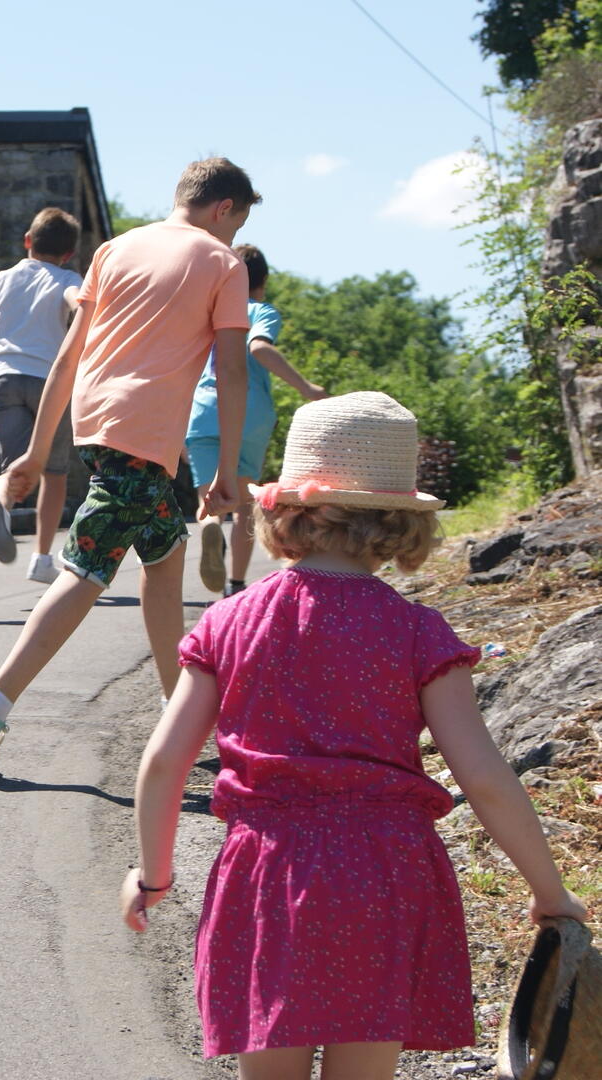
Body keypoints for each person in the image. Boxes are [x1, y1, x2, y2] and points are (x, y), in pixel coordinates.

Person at [121, 391, 589, 1079]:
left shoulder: (228, 624)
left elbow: (164, 762)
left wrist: (154, 875)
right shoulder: (418, 634)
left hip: (267, 870)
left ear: (283, 511)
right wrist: (549, 893)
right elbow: (483, 777)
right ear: (402, 523)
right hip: (383, 872)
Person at [0, 158, 259, 776]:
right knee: (88, 569)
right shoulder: (223, 263)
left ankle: (182, 713)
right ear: (224, 208)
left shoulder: (116, 249)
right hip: (142, 436)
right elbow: (230, 370)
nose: (233, 234)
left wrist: (38, 452)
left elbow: (69, 354)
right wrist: (226, 470)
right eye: (238, 220)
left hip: (99, 425)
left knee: (165, 560)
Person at [185, 244, 326, 598]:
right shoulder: (260, 310)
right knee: (244, 505)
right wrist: (307, 388)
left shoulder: (206, 312)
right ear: (261, 284)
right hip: (249, 415)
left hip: (202, 411)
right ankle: (234, 585)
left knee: (209, 498)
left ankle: (209, 527)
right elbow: (259, 348)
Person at [0, 207, 84, 582]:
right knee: (54, 474)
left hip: (3, 379)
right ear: (68, 253)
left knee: (12, 468)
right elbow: (75, 298)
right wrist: (80, 302)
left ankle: (1, 506)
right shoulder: (67, 278)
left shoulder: (2, 279)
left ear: (27, 241)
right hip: (48, 383)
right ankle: (41, 559)